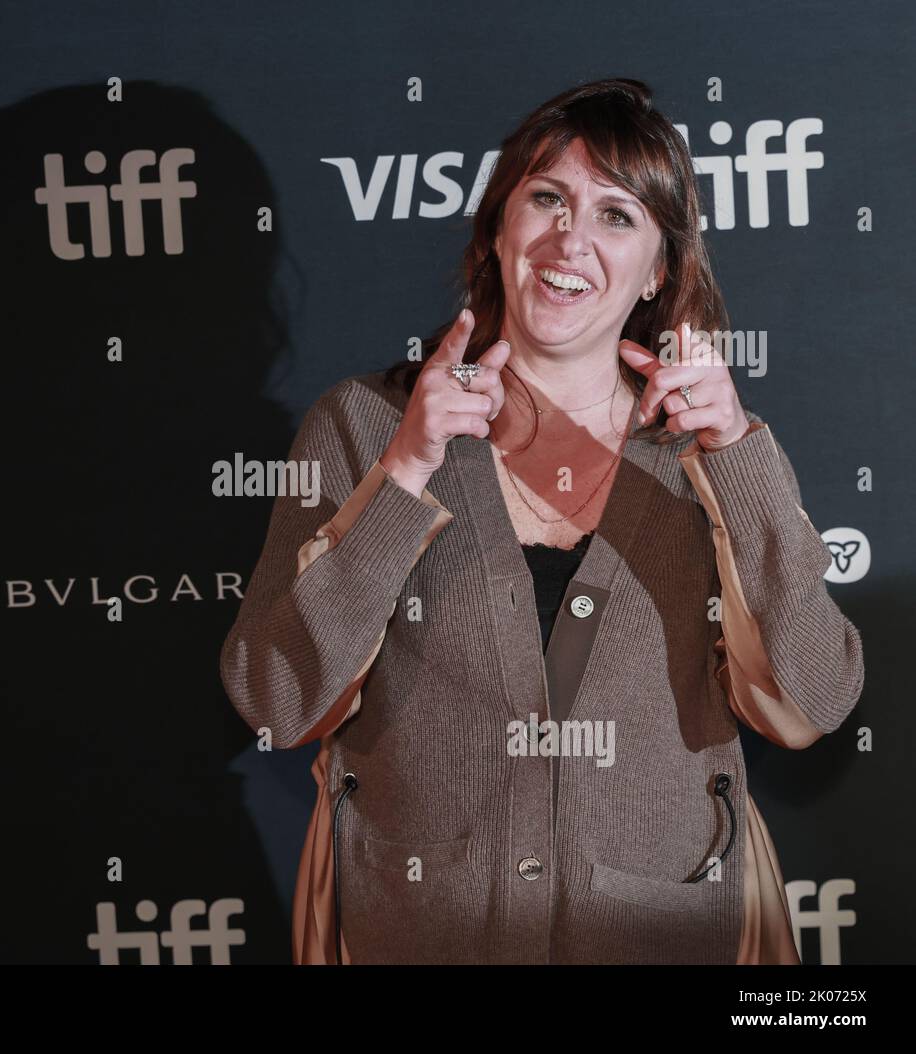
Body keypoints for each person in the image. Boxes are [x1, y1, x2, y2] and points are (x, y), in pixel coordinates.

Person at [219, 78, 864, 965]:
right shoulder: (364, 425)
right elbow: (277, 702)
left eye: (618, 216)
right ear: (497, 227)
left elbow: (811, 704)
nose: (572, 240)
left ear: (662, 268)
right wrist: (405, 474)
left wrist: (737, 456)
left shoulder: (711, 450)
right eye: (548, 199)